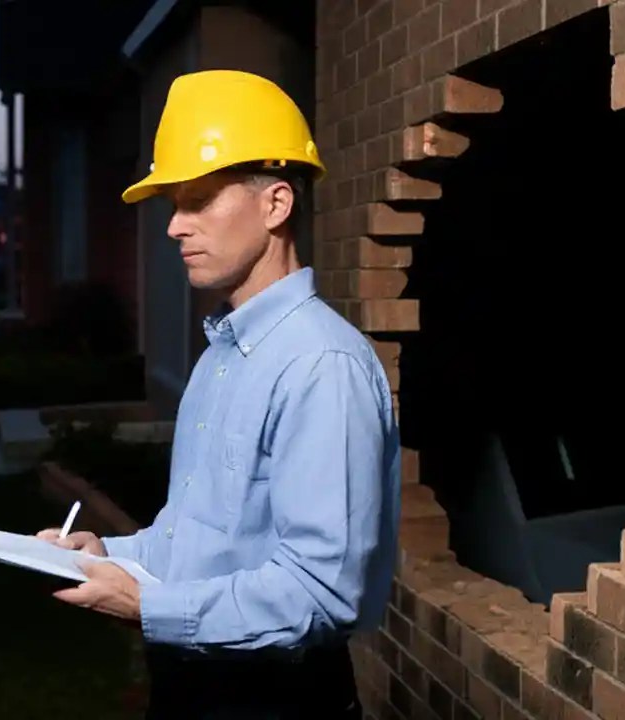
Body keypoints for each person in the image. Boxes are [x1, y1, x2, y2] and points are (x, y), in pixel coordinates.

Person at [35, 69, 401, 719]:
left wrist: (149, 607)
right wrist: (106, 555)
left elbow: (319, 594)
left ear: (276, 204)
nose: (174, 227)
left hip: (277, 703)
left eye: (198, 200)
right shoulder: (223, 355)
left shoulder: (321, 365)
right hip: (191, 689)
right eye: (173, 204)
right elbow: (195, 538)